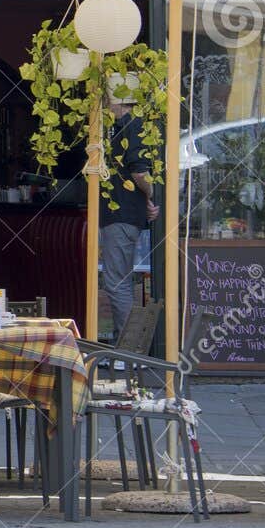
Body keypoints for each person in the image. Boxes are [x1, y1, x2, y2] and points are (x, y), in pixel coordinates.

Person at [99, 90, 157, 343]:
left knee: (117, 283)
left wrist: (151, 195)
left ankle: (127, 349)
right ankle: (121, 346)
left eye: (106, 97)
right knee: (119, 281)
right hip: (123, 215)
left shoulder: (133, 125)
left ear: (117, 100)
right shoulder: (123, 126)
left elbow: (140, 175)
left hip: (120, 216)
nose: (102, 103)